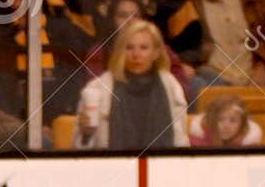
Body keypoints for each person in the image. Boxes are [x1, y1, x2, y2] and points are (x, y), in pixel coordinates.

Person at [74, 17, 189, 149]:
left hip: (162, 167)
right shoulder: (98, 87)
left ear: (156, 52)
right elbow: (80, 150)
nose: (136, 54)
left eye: (144, 48)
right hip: (111, 166)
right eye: (129, 48)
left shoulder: (170, 85)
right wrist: (86, 133)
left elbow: (181, 140)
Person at [189, 92, 265, 146]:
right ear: (211, 120)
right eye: (220, 119)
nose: (226, 126)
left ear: (242, 123)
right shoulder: (197, 142)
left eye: (233, 120)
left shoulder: (248, 144)